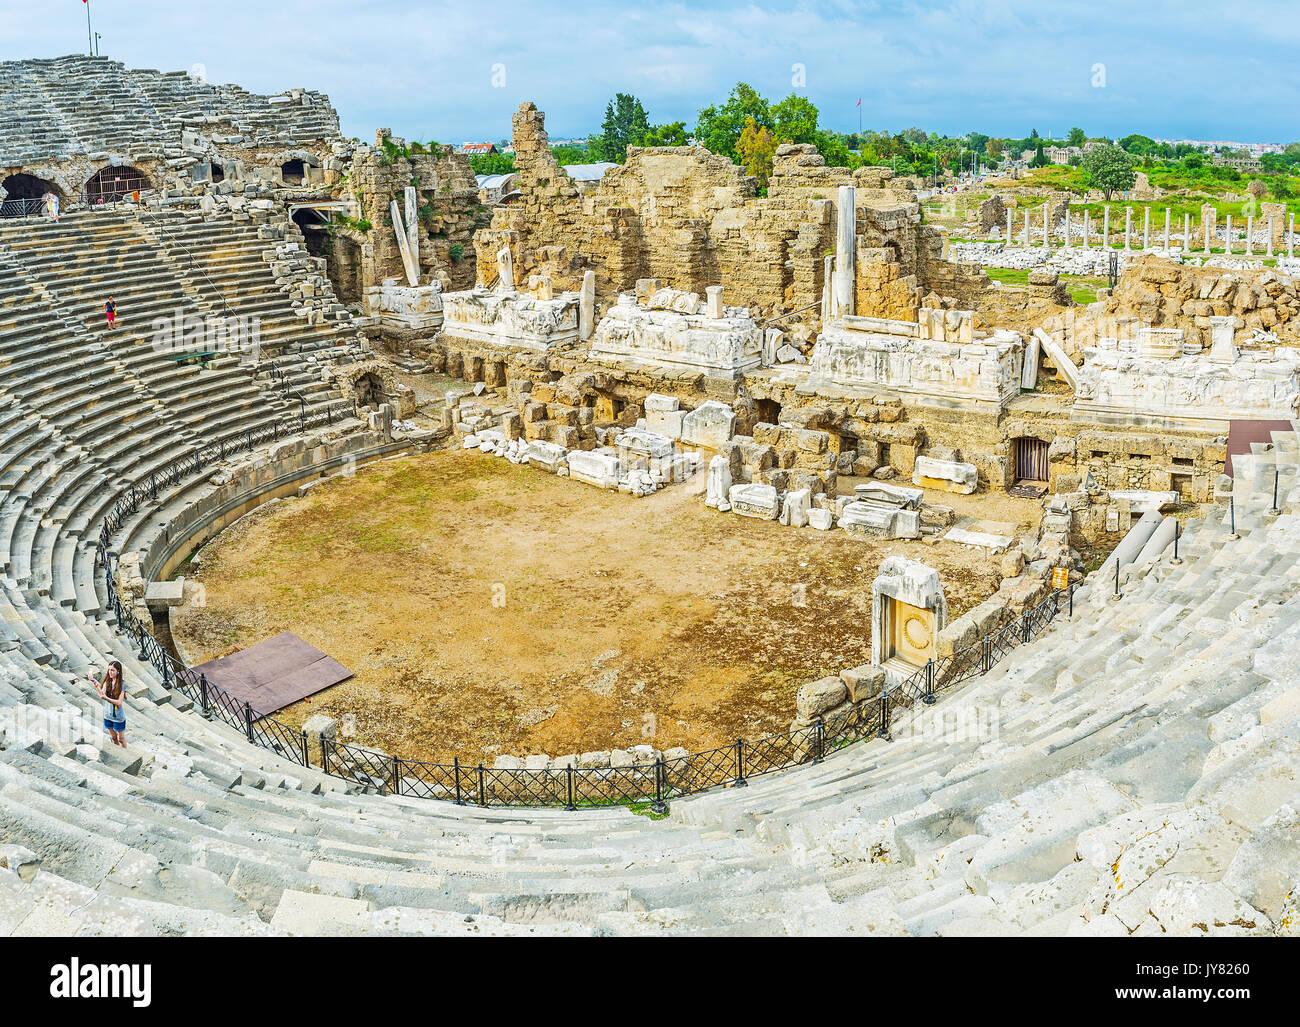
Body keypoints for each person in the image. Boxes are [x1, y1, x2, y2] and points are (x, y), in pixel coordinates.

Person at [91, 661, 127, 747]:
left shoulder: (122, 684)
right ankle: (119, 752)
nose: (110, 672)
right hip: (108, 715)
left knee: (121, 739)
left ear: (118, 671)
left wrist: (106, 698)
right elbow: (101, 694)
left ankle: (125, 751)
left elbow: (119, 702)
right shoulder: (107, 682)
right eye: (109, 670)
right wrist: (94, 681)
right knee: (114, 737)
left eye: (112, 670)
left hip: (118, 716)